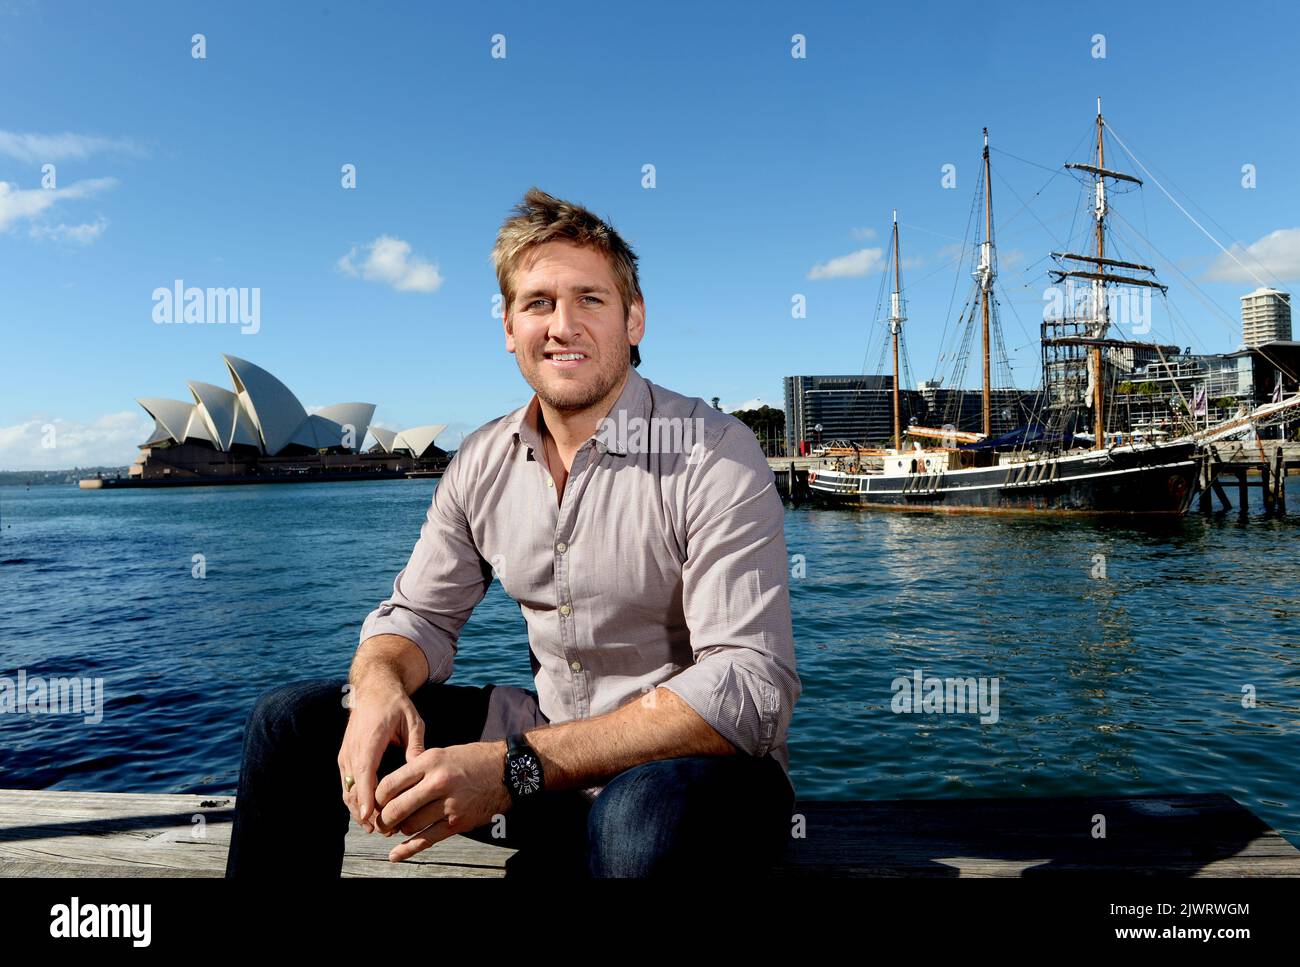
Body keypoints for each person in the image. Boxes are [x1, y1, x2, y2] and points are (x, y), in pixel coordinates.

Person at [225, 187, 801, 879]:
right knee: (289, 722)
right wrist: (378, 682)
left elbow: (749, 685)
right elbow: (420, 616)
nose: (563, 325)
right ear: (508, 326)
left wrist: (514, 767)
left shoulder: (713, 451)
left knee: (635, 822)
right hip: (546, 758)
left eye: (590, 299)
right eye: (538, 303)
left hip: (700, 777)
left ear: (635, 319)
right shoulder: (483, 460)